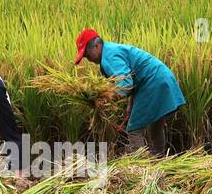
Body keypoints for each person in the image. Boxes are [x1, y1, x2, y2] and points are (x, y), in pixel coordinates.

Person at [75, 28, 185, 157]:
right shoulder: (111, 50)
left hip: (153, 83)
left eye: (87, 54)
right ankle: (158, 159)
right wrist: (130, 104)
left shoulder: (109, 57)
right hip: (162, 79)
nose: (88, 59)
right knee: (156, 125)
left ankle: (143, 166)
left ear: (97, 46)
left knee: (134, 129)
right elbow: (132, 78)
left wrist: (106, 97)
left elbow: (126, 84)